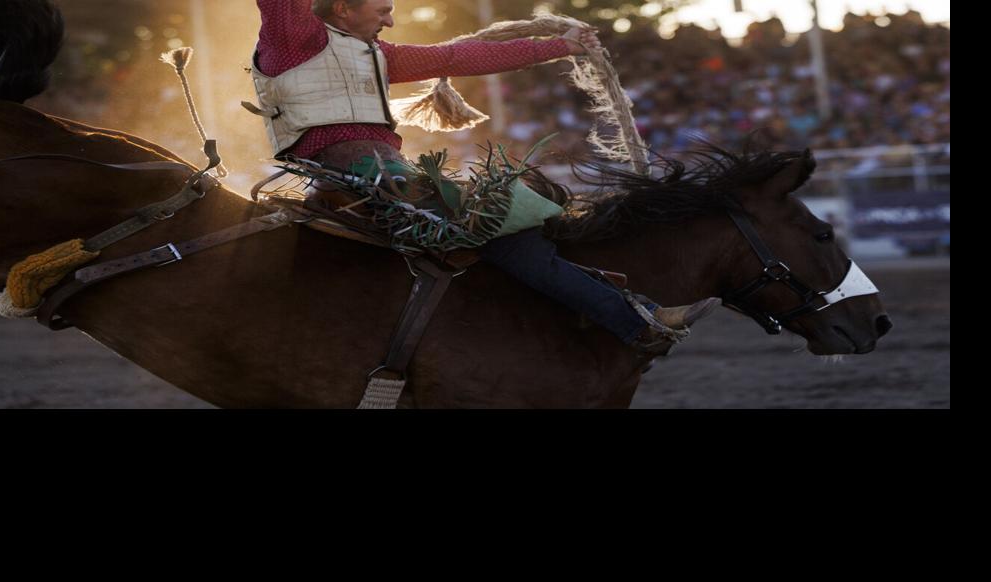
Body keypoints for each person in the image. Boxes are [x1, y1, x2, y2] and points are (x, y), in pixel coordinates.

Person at [252, 0, 720, 357]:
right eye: (384, 9)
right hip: (359, 172)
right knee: (503, 223)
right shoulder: (295, 38)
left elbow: (463, 56)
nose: (391, 21)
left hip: (379, 172)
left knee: (525, 214)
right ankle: (634, 322)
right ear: (342, 8)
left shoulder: (376, 54)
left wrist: (563, 47)